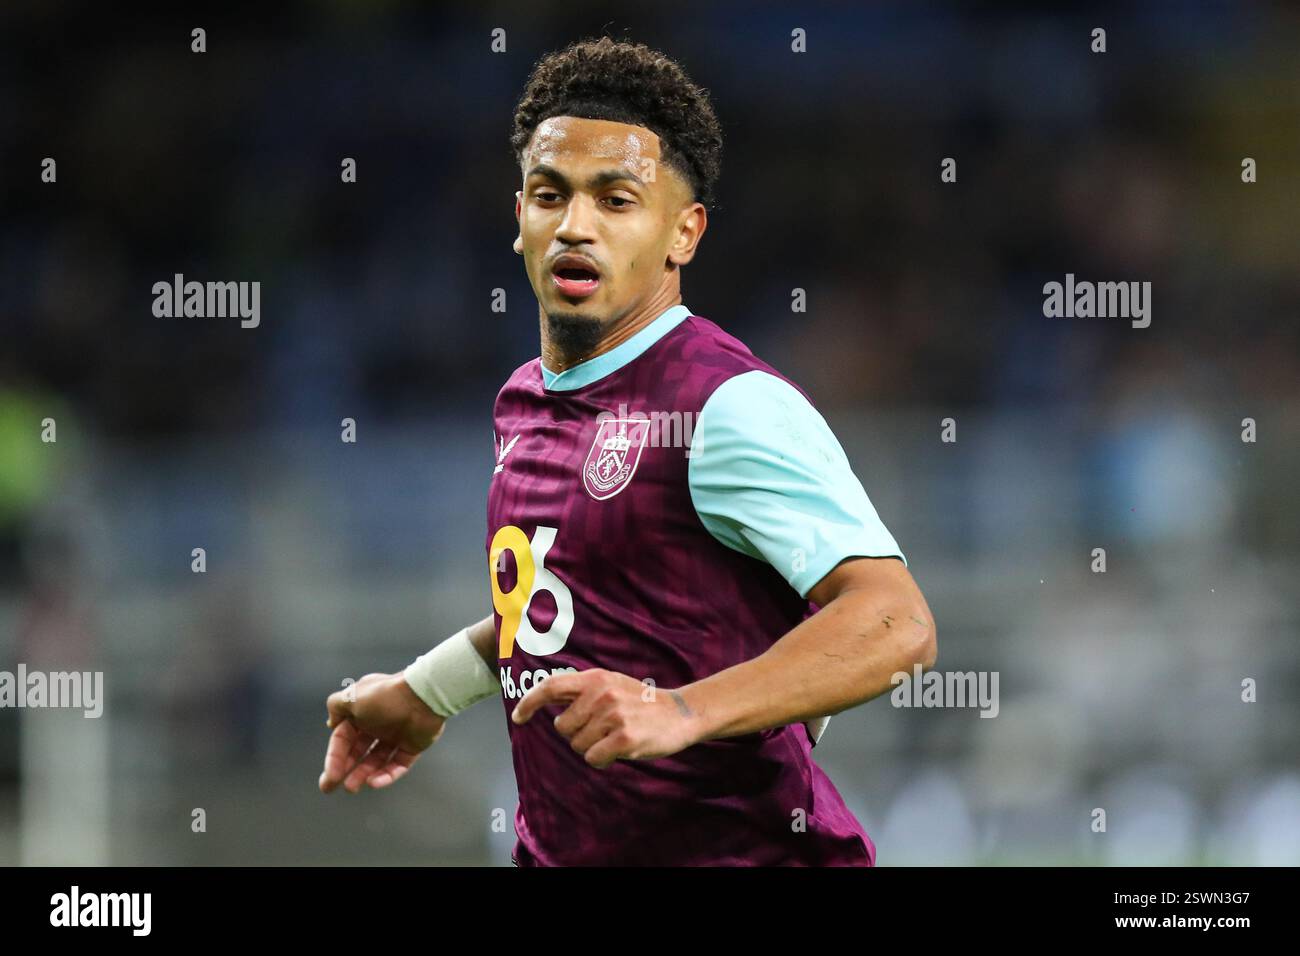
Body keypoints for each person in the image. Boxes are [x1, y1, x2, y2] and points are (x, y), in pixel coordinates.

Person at [319, 36, 936, 866]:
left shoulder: (726, 403)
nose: (575, 225)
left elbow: (896, 622)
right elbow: (566, 605)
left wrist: (682, 710)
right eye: (551, 195)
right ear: (520, 218)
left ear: (683, 232)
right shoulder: (523, 401)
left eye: (616, 200)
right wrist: (424, 691)